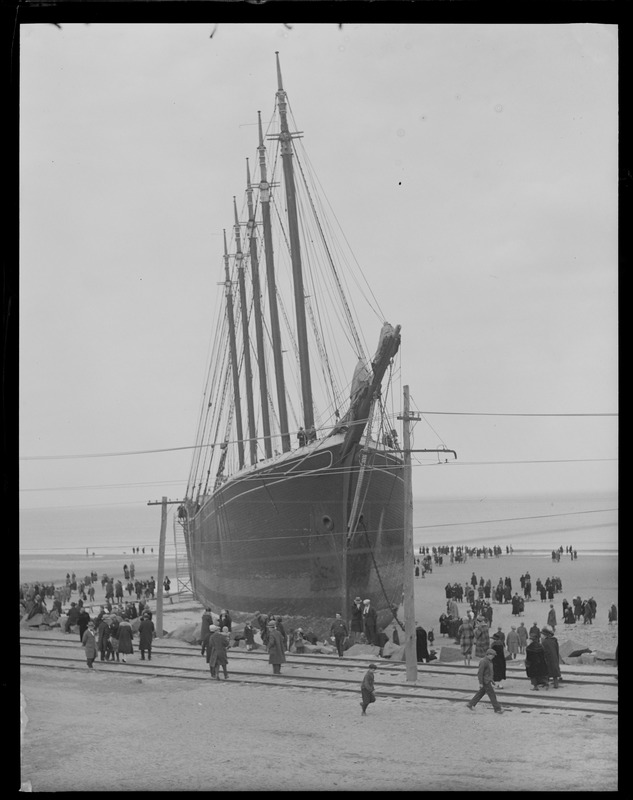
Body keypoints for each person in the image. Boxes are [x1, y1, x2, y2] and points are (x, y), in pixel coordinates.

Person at [466, 648, 504, 713]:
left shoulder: (489, 661)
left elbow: (489, 673)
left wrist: (492, 681)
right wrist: (480, 683)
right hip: (485, 681)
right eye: (493, 655)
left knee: (480, 693)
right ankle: (497, 709)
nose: (493, 657)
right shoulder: (483, 661)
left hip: (487, 680)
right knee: (492, 695)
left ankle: (470, 704)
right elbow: (480, 673)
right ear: (488, 654)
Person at [540, 624, 562, 688]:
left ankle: (546, 684)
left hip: (548, 659)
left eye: (542, 634)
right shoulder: (554, 640)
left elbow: (544, 652)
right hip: (555, 658)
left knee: (546, 672)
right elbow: (557, 650)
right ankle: (556, 684)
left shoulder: (545, 642)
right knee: (555, 673)